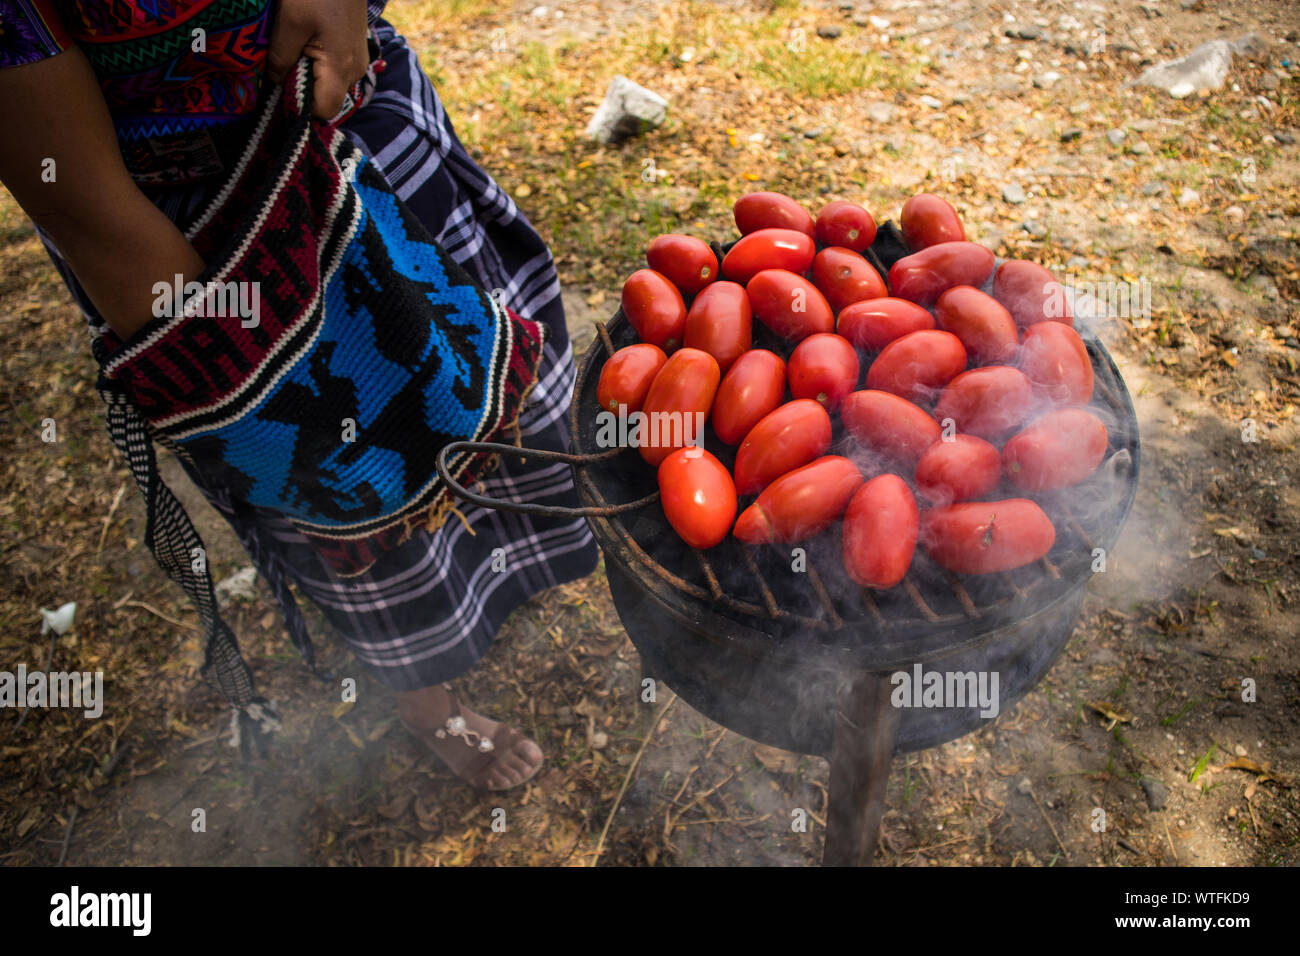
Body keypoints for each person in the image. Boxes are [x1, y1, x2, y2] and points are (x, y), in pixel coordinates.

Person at [0, 0, 600, 790]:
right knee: (347, 495)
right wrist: (242, 371)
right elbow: (83, 203)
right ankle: (431, 707)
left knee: (501, 398)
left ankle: (502, 575)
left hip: (354, 120)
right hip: (190, 240)